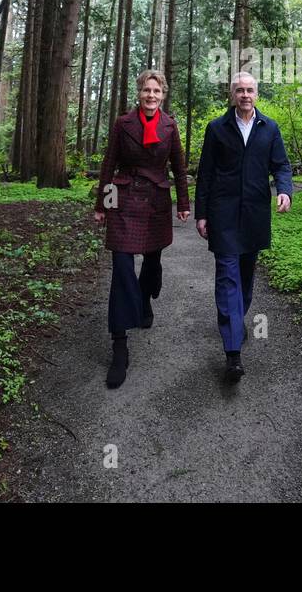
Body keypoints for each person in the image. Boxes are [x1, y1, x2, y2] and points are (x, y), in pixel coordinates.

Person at [194, 71, 293, 383]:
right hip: (223, 214)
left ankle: (237, 318)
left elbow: (281, 165)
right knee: (227, 278)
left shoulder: (270, 128)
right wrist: (202, 213)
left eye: (250, 90)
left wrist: (285, 190)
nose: (245, 95)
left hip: (254, 214)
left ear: (257, 95)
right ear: (232, 95)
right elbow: (205, 173)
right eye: (240, 90)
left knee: (246, 276)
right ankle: (232, 351)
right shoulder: (217, 128)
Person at [94, 70, 190, 389]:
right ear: (139, 93)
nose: (151, 95)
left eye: (156, 90)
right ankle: (120, 347)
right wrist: (101, 204)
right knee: (122, 266)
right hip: (123, 198)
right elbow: (109, 163)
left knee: (152, 261)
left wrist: (183, 204)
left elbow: (178, 166)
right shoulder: (123, 124)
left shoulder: (170, 125)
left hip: (156, 201)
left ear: (163, 94)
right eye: (146, 90)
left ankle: (146, 296)